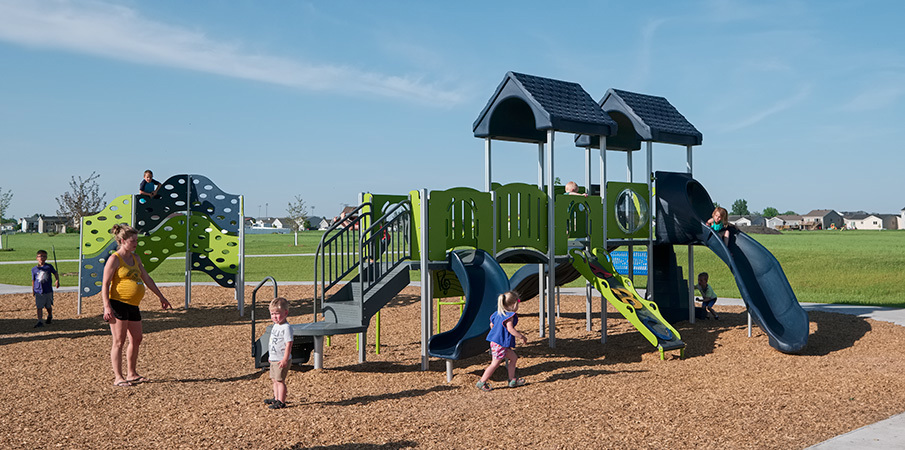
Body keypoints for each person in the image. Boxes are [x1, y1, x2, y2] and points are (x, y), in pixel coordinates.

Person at [101, 223, 171, 387]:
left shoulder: (135, 258)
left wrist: (161, 297)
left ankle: (132, 373)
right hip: (118, 304)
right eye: (132, 241)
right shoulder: (114, 259)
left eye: (136, 240)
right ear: (123, 241)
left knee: (137, 338)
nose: (135, 244)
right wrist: (107, 306)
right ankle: (118, 377)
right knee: (119, 341)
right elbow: (105, 284)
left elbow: (147, 278)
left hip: (133, 305)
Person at [476, 291, 528, 391]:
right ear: (514, 304)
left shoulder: (497, 314)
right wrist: (521, 336)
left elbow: (492, 325)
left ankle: (512, 380)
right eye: (518, 302)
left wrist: (497, 332)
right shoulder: (509, 316)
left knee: (513, 358)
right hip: (500, 344)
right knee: (495, 364)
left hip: (498, 343)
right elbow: (510, 329)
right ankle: (481, 382)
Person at [265, 297, 293, 409]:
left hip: (281, 359)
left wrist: (285, 359)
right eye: (272, 314)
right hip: (274, 358)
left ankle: (281, 401)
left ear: (285, 313)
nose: (274, 317)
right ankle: (276, 398)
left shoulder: (286, 328)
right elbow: (272, 342)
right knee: (274, 379)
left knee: (280, 380)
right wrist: (271, 355)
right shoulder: (275, 326)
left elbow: (289, 344)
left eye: (277, 314)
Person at [32, 249, 60, 328]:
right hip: (38, 290)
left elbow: (55, 273)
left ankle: (50, 315)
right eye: (40, 256)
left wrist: (57, 280)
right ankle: (40, 321)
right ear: (37, 258)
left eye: (44, 256)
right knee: (39, 307)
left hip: (47, 290)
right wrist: (33, 290)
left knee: (48, 306)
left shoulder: (48, 267)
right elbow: (33, 280)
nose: (42, 258)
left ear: (46, 258)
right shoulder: (34, 269)